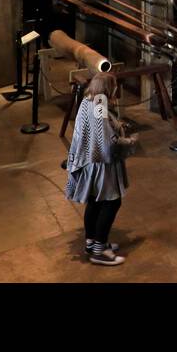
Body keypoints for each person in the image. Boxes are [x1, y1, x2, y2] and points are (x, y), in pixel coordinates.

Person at [64, 72, 135, 265]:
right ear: (108, 89)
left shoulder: (87, 102)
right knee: (112, 202)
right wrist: (128, 141)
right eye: (114, 86)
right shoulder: (99, 106)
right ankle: (99, 251)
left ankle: (91, 242)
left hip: (87, 162)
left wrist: (115, 123)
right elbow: (106, 143)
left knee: (95, 202)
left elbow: (97, 129)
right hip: (100, 165)